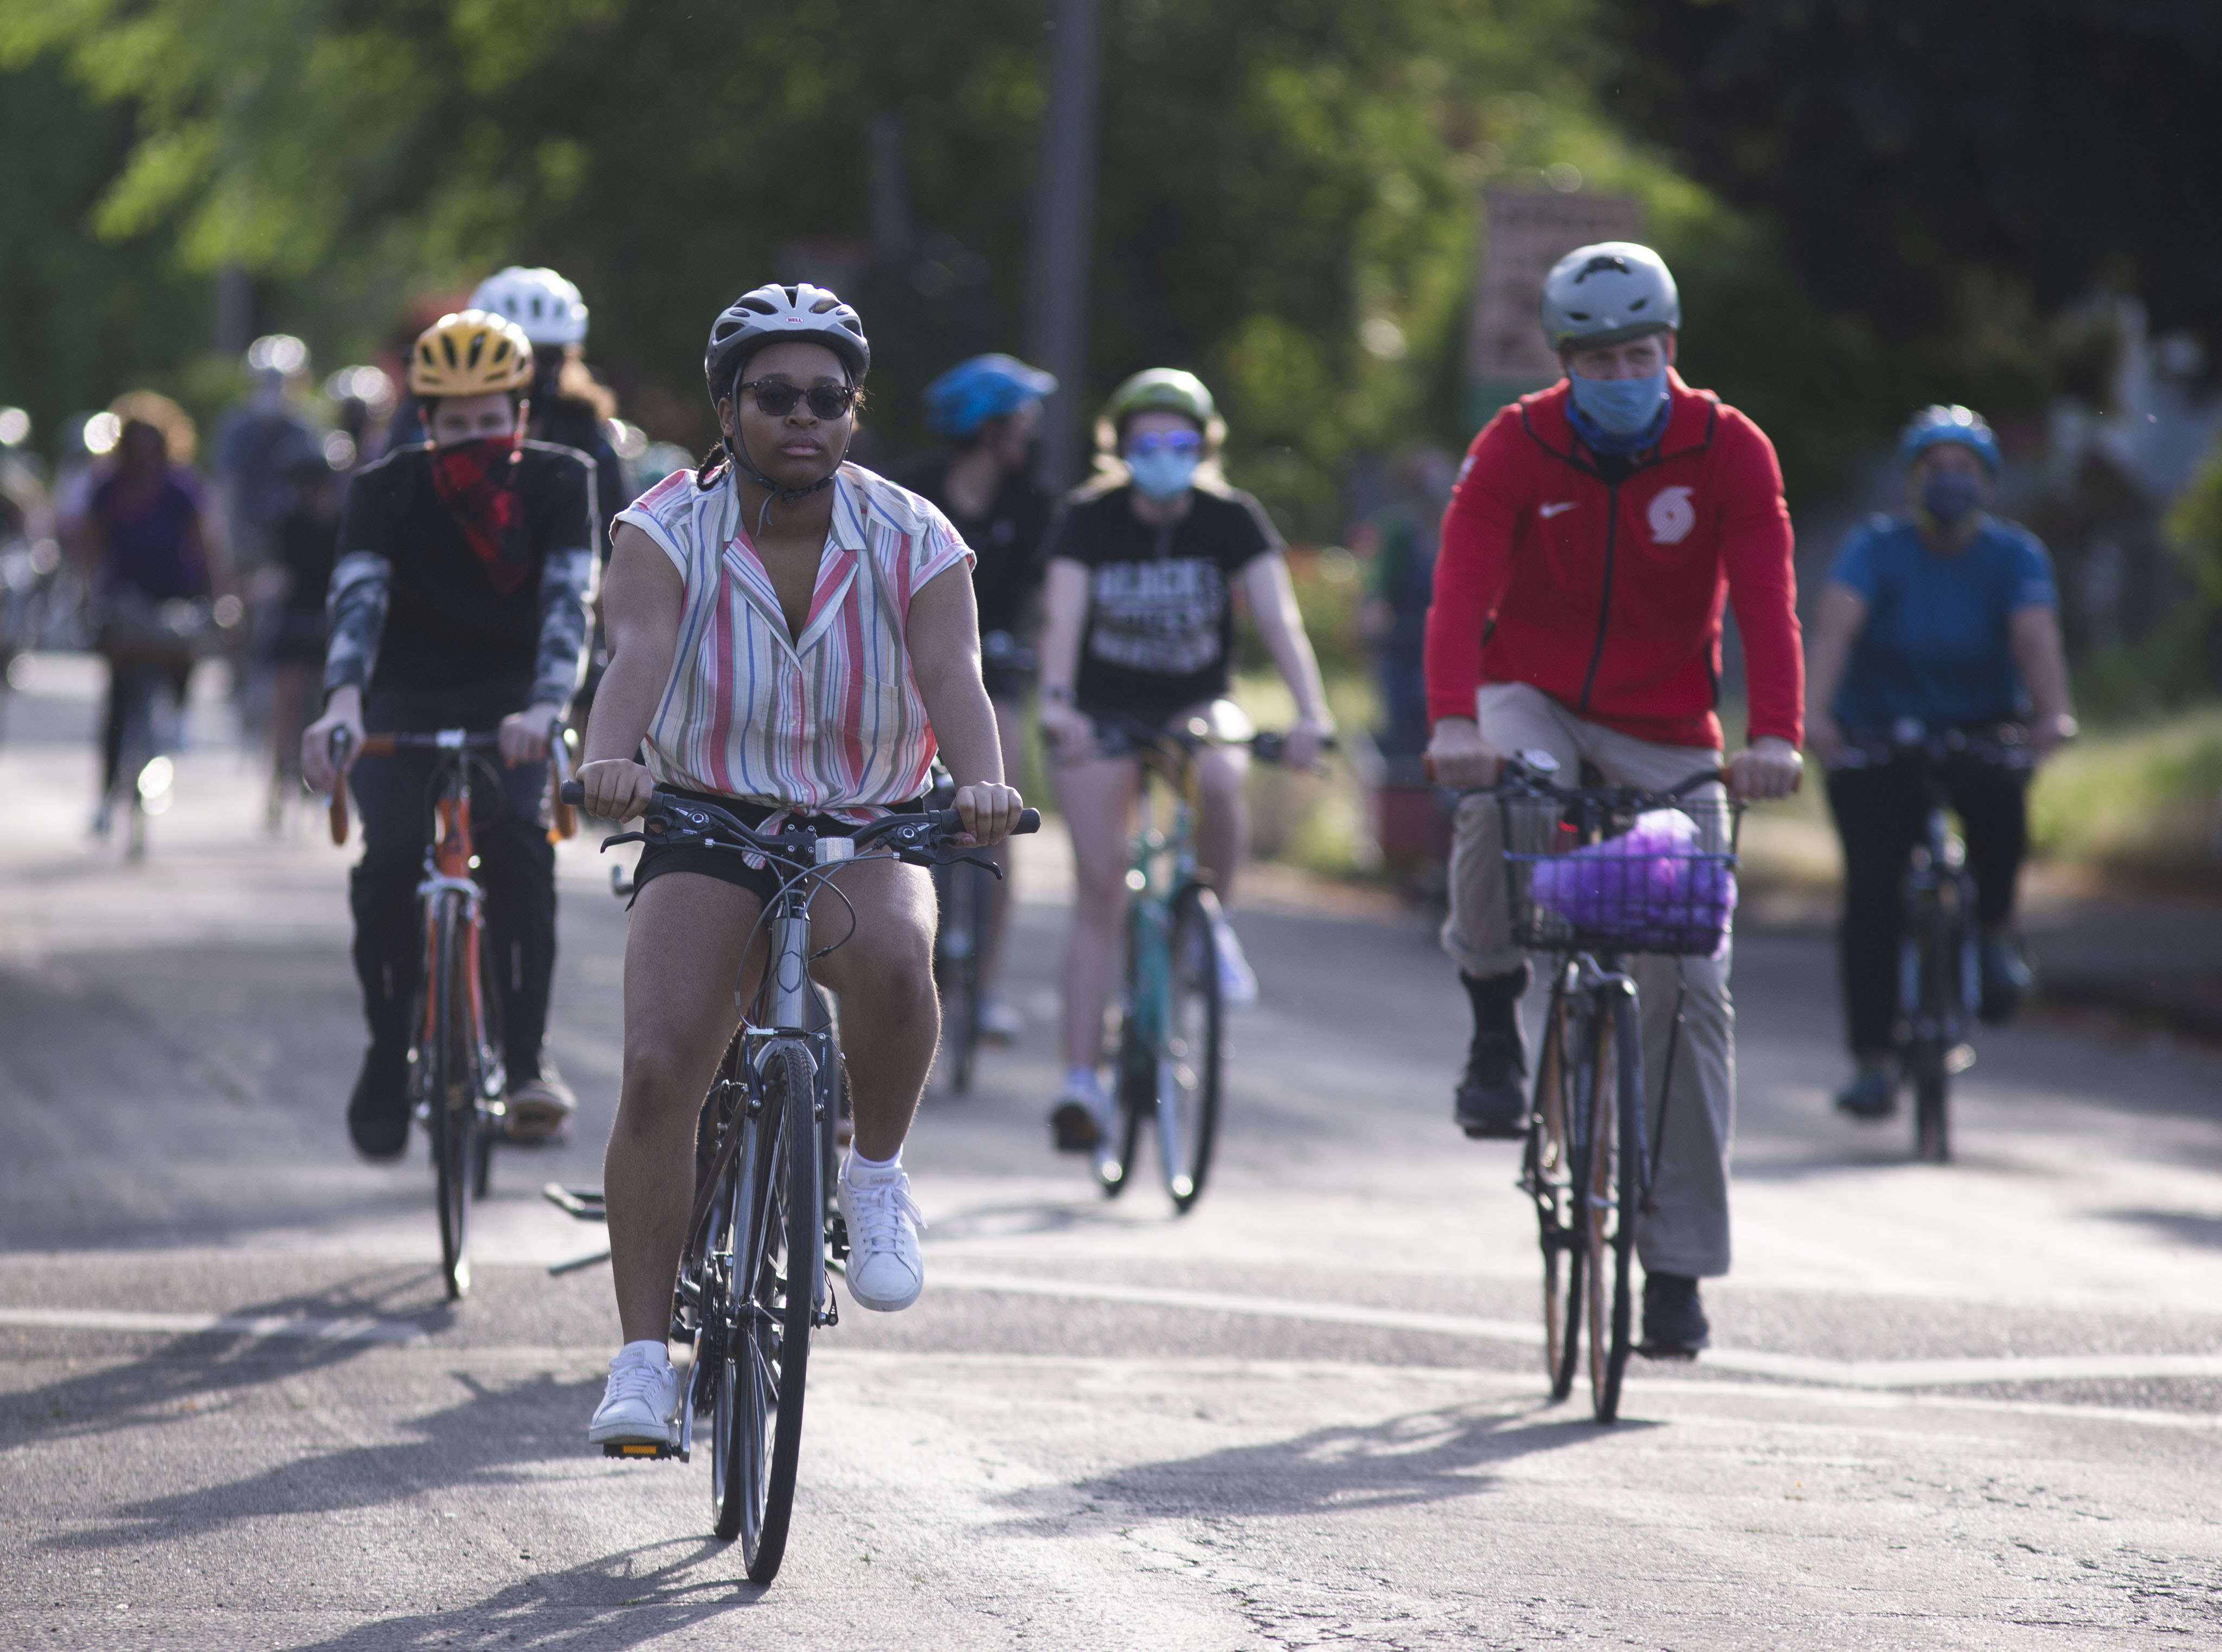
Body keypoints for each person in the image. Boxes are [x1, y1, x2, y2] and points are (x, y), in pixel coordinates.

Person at [571, 282, 1024, 1449]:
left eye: (828, 398)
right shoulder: (663, 527)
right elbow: (636, 654)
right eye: (774, 396)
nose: (803, 417)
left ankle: (873, 1174)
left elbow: (954, 673)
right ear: (728, 408)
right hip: (709, 814)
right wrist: (610, 760)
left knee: (895, 964)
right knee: (662, 1063)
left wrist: (982, 781)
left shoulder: (917, 533)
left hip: (869, 812)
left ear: (854, 411)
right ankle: (640, 1361)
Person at [1423, 242, 1804, 1357]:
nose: (1620, 372)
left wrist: (1777, 736)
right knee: (1496, 792)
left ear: (1671, 350)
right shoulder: (1516, 443)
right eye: (1596, 358)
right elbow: (1458, 590)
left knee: (1688, 985)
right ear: (1563, 363)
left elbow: (1769, 604)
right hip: (1529, 691)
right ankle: (1496, 1024)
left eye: (1639, 352)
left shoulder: (1728, 449)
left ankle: (1677, 1258)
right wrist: (1454, 718)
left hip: (1666, 732)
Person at [301, 310, 596, 1157]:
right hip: (397, 696)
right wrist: (344, 704)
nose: (477, 436)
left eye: (492, 419)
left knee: (519, 849)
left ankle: (528, 1058)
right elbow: (358, 599)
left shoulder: (558, 478)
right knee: (391, 858)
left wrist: (547, 707)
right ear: (426, 422)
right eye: (456, 422)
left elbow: (568, 601)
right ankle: (387, 1054)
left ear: (521, 416)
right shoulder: (384, 487)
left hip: (514, 699)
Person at [1034, 368, 1335, 1153]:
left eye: (1178, 442)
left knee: (1221, 772)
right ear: (1120, 447)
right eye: (1145, 441)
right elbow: (1061, 620)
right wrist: (1058, 702)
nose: (1162, 454)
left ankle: (1210, 925)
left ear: (1203, 448)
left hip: (1191, 702)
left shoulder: (1230, 518)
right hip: (1101, 710)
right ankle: (1079, 1083)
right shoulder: (1088, 517)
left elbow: (1280, 620)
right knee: (1099, 889)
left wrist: (1312, 712)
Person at [1802, 405, 2075, 1121]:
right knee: (1869, 894)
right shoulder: (1875, 546)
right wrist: (1816, 713)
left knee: (1997, 804)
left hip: (1977, 728)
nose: (1949, 482)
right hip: (1876, 733)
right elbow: (1835, 626)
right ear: (1909, 480)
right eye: (1934, 469)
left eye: (1964, 469)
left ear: (1985, 482)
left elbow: (2035, 639)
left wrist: (2050, 715)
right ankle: (1871, 1060)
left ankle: (1992, 932)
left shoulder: (2013, 555)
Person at [893, 352, 1060, 1041]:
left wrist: (1053, 678)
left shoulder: (1036, 503)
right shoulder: (913, 492)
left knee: (997, 810)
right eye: (1023, 418)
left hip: (1001, 671)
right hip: (909, 669)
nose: (1034, 432)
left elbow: (1050, 606)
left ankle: (983, 988)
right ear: (987, 427)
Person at [469, 267, 630, 724]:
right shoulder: (440, 426)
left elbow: (619, 538)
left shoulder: (589, 434)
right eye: (519, 353)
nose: (535, 369)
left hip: (566, 616)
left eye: (550, 355)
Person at [81, 400, 223, 833]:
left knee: (184, 649)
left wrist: (219, 595)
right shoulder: (108, 488)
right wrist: (88, 595)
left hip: (174, 595)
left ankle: (178, 716)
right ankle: (107, 796)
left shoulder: (181, 487)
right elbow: (91, 545)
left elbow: (205, 544)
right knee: (119, 698)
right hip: (124, 597)